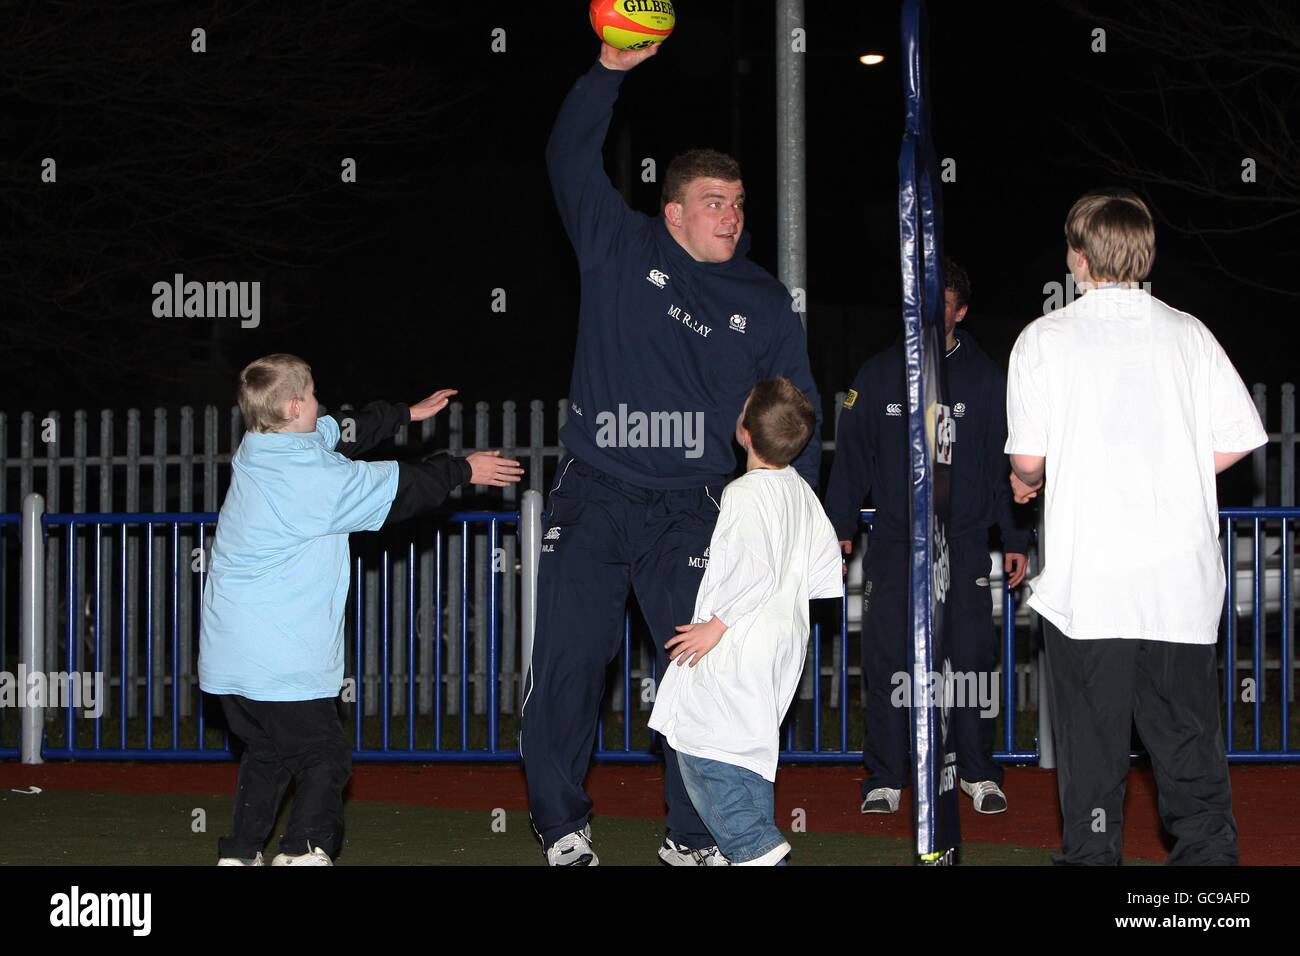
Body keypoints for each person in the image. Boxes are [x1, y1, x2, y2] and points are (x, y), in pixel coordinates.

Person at [520, 39, 824, 867]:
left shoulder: (763, 299)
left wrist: (807, 515)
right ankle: (563, 826)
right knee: (570, 667)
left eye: (738, 201)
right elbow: (566, 152)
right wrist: (609, 70)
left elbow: (796, 412)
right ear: (675, 211)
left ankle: (691, 838)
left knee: (702, 677)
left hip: (693, 506)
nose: (731, 214)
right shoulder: (617, 248)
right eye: (715, 201)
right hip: (595, 491)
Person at [1005, 189, 1266, 865]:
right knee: (1187, 748)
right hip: (1178, 581)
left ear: (1080, 257)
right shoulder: (1189, 333)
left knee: (1092, 753)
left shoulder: (1044, 338)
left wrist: (1030, 482)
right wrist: (1171, 470)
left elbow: (1027, 460)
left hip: (1091, 584)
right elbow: (1241, 434)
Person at [199, 353, 522, 866]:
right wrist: (464, 468)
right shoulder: (313, 483)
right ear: (294, 403)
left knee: (269, 753)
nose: (321, 404)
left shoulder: (260, 447)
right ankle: (304, 851)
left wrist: (404, 416)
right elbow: (399, 489)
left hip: (226, 660)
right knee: (325, 757)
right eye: (314, 394)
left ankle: (239, 854)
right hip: (276, 659)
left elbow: (339, 430)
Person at [824, 258, 1029, 816]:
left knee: (969, 658)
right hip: (893, 545)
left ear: (959, 312)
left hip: (962, 545)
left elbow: (1004, 465)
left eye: (941, 305)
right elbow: (850, 463)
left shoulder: (988, 379)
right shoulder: (876, 374)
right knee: (890, 659)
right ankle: (888, 776)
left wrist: (1014, 538)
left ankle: (977, 772)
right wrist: (840, 530)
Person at [648, 379, 843, 866]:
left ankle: (756, 850)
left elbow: (754, 569)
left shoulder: (743, 493)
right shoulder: (800, 490)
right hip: (781, 645)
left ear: (744, 432)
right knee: (747, 749)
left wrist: (718, 622)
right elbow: (826, 568)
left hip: (737, 641)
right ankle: (747, 841)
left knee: (700, 745)